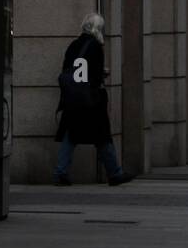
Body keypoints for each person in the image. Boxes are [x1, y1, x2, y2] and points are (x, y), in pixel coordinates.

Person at [53, 13, 136, 186]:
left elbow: (68, 69)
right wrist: (104, 73)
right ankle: (114, 173)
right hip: (90, 99)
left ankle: (61, 172)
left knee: (70, 135)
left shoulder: (73, 45)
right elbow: (96, 76)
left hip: (73, 98)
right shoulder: (96, 47)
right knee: (102, 136)